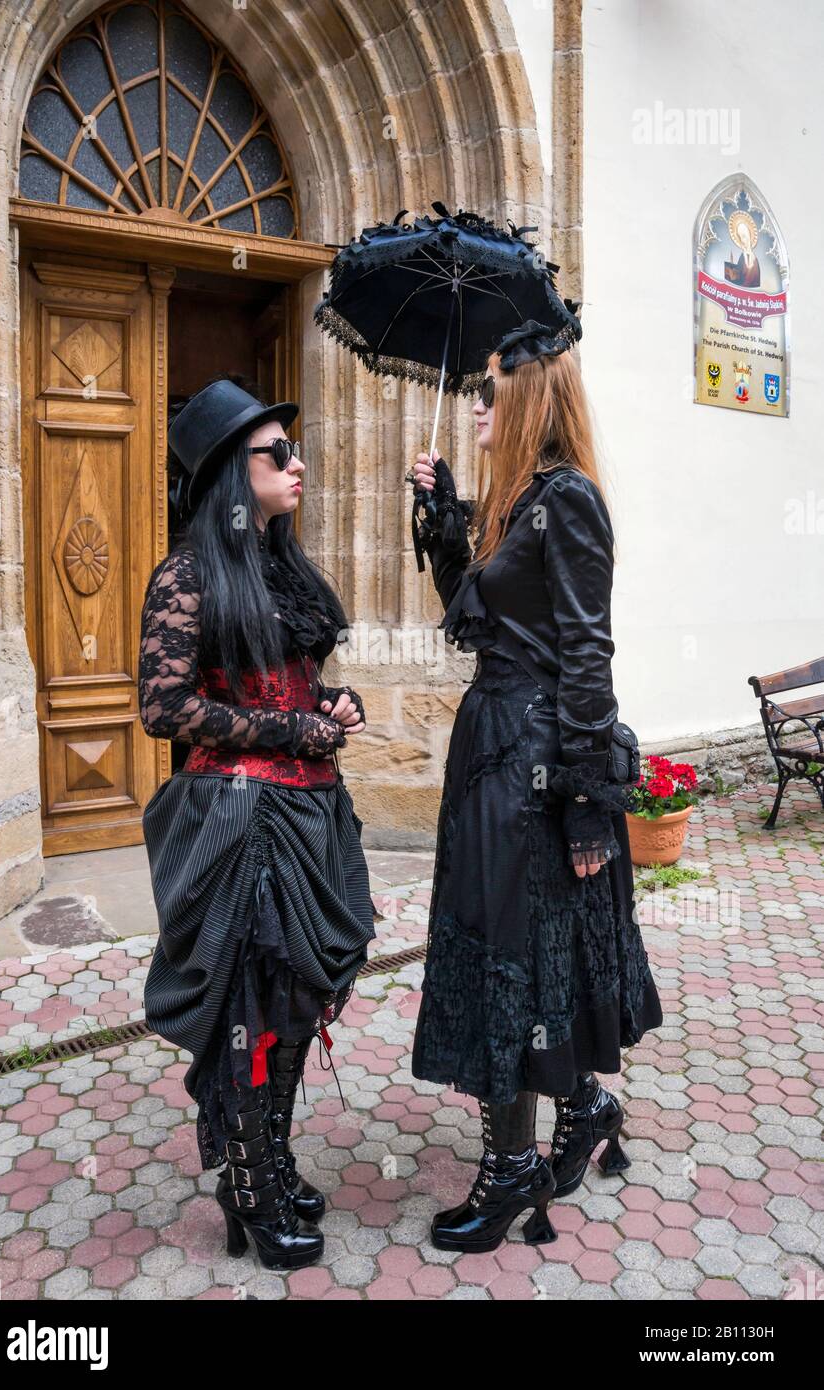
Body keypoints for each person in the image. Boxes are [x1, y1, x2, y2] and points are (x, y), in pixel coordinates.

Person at [408, 313, 663, 1254]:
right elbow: (475, 621)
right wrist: (442, 519)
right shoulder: (512, 505)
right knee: (494, 939)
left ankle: (510, 1170)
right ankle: (585, 1108)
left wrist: (591, 794)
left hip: (535, 755)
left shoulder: (569, 501)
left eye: (488, 392)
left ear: (524, 398)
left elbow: (587, 652)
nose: (476, 407)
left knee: (512, 949)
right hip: (490, 739)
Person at [138, 377, 375, 1271]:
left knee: (298, 996)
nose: (298, 462)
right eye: (278, 453)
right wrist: (291, 727)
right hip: (237, 821)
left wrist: (330, 704)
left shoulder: (280, 566)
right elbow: (163, 707)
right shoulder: (187, 574)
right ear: (232, 477)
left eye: (293, 448)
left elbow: (291, 680)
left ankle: (270, 1157)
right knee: (251, 1004)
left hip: (310, 812)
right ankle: (246, 1181)